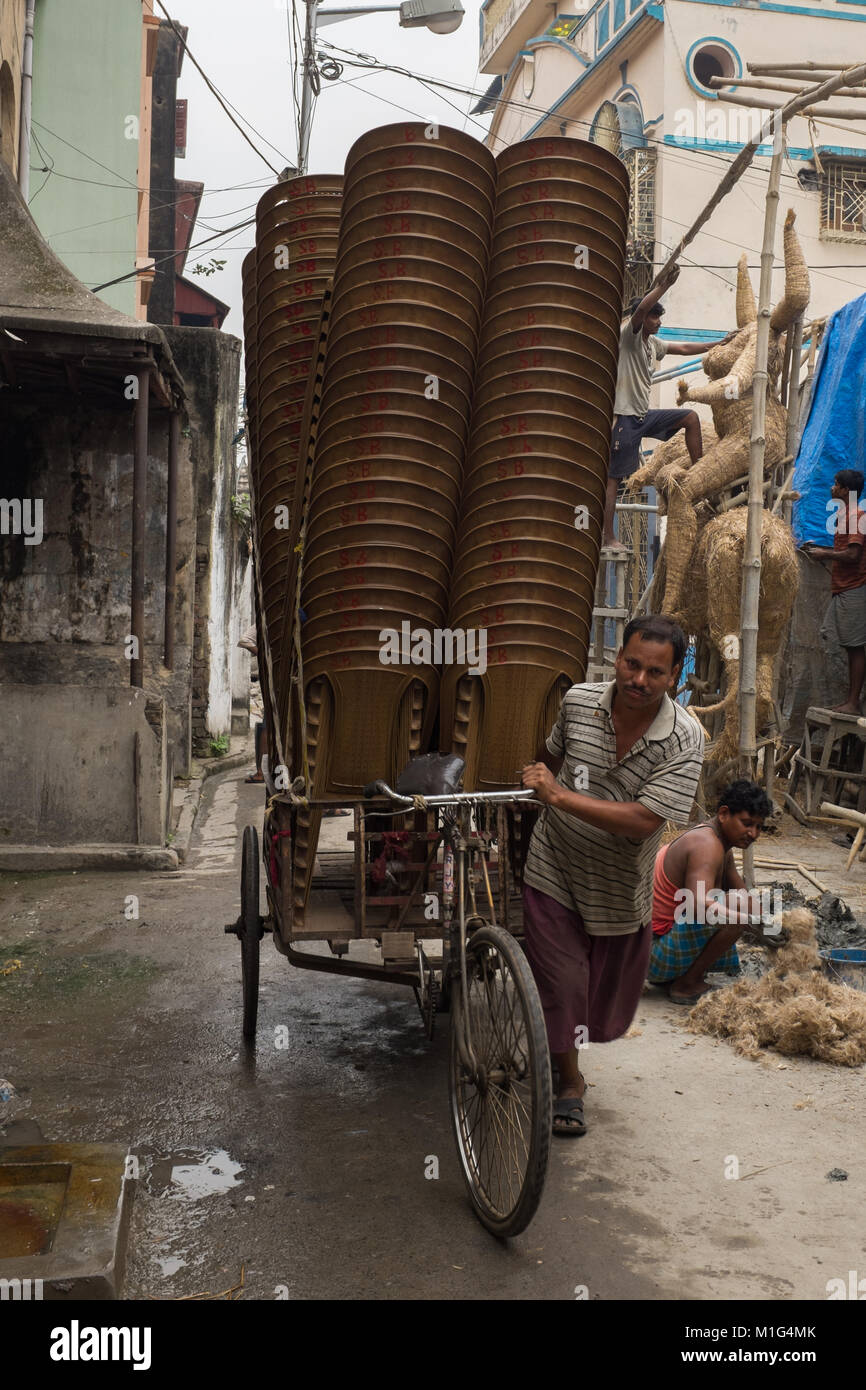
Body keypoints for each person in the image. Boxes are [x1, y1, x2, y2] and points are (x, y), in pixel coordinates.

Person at [520, 614, 704, 1137]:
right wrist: (537, 787)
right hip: (553, 866)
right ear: (617, 658)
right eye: (631, 664)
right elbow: (548, 757)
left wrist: (559, 795)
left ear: (674, 678)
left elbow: (646, 819)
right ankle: (570, 1085)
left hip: (620, 890)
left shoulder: (684, 738)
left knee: (600, 1005)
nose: (639, 680)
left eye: (655, 672)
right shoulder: (579, 701)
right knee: (563, 983)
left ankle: (565, 1051)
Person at [603, 266, 717, 548]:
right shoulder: (629, 337)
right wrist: (663, 287)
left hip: (643, 417)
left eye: (659, 317)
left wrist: (720, 343)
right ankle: (608, 536)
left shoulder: (653, 344)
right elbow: (640, 311)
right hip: (626, 419)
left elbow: (685, 349)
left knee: (690, 418)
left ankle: (697, 474)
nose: (657, 321)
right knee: (614, 480)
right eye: (655, 316)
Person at [647, 780, 775, 1004]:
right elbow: (698, 904)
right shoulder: (706, 845)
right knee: (736, 909)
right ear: (724, 814)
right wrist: (747, 921)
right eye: (747, 823)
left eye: (759, 827)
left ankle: (683, 977)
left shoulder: (720, 844)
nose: (753, 833)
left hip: (654, 951)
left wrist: (772, 928)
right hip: (652, 956)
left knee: (743, 905)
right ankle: (686, 984)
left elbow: (745, 896)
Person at [801, 469, 866, 715]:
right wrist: (821, 551)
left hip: (854, 588)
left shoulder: (857, 517)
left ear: (846, 492)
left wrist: (824, 554)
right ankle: (851, 699)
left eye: (836, 484)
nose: (832, 488)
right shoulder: (846, 516)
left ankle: (852, 702)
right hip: (844, 588)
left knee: (855, 645)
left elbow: (853, 554)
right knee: (844, 641)